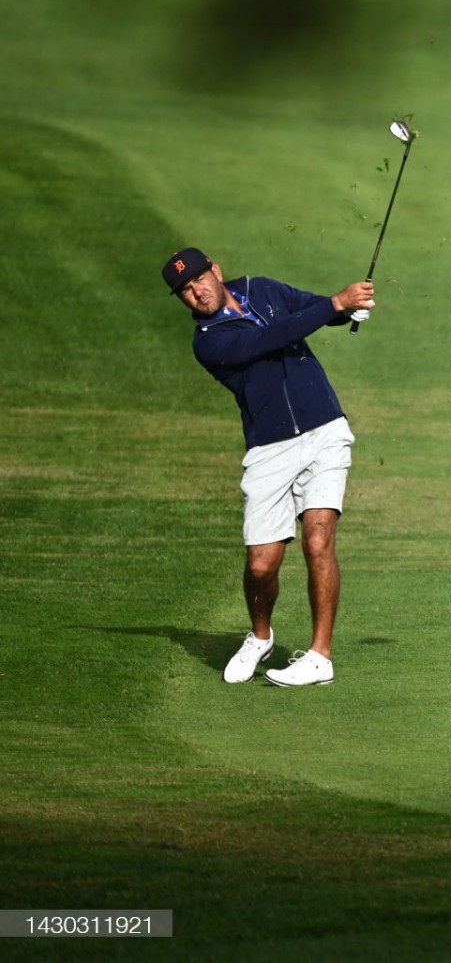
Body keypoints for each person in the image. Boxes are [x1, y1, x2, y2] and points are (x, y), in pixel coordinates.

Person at [162, 247, 376, 688]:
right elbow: (267, 340)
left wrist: (348, 309)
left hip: (325, 430)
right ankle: (260, 636)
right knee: (261, 566)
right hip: (269, 449)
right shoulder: (208, 341)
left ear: (216, 271)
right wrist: (335, 304)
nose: (196, 292)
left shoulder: (262, 289)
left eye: (199, 279)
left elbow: (310, 307)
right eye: (184, 290)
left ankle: (320, 656)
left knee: (318, 539)